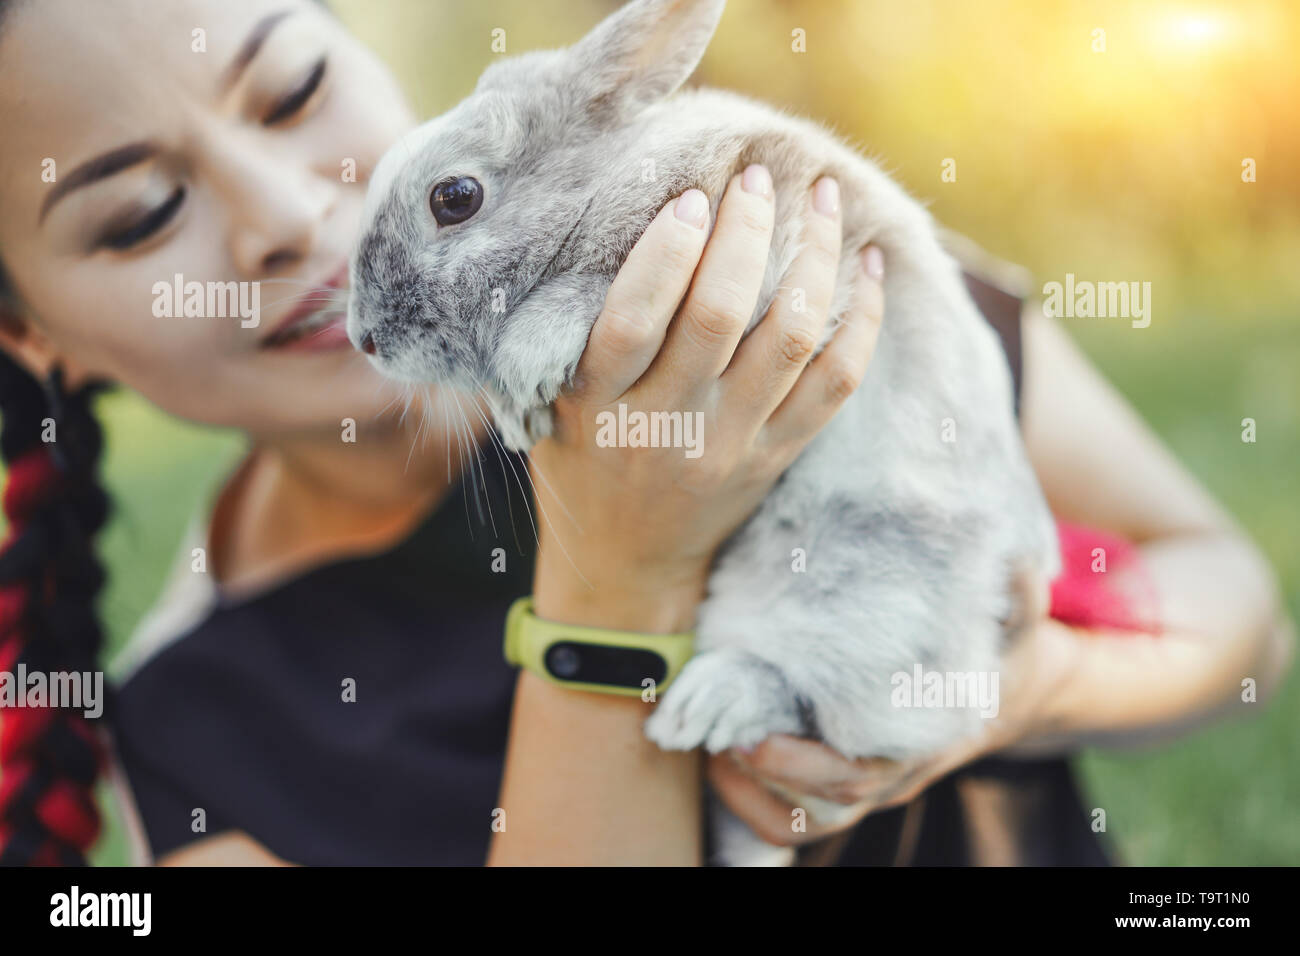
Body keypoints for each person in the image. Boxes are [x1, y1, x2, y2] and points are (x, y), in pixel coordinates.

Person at [0, 0, 1290, 866]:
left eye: (292, 89)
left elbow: (1233, 608)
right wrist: (620, 576)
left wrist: (1016, 693)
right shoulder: (200, 726)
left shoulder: (805, 295)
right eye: (141, 213)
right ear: (33, 337)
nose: (287, 216)